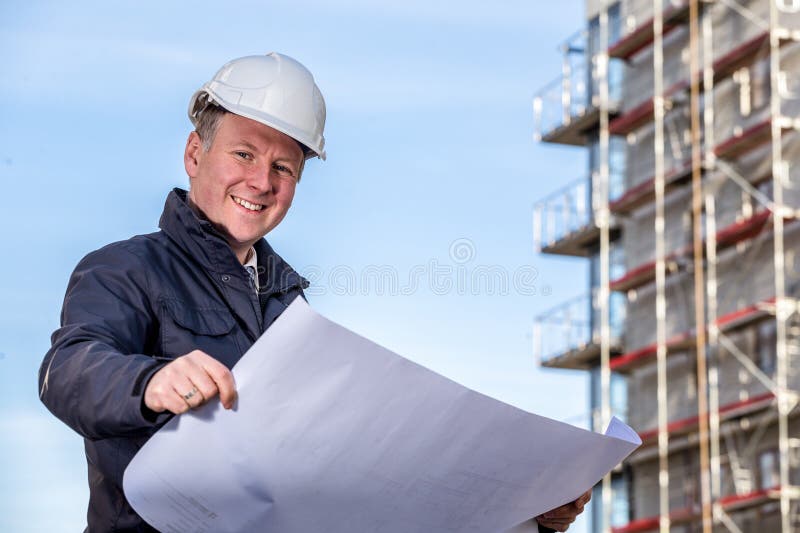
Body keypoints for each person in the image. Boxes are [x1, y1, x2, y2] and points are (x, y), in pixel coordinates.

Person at [38, 52, 588, 533]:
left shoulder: (289, 308)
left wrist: (525, 512)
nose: (262, 183)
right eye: (245, 155)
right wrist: (149, 381)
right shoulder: (125, 269)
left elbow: (359, 473)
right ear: (194, 154)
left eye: (284, 168)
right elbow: (67, 369)